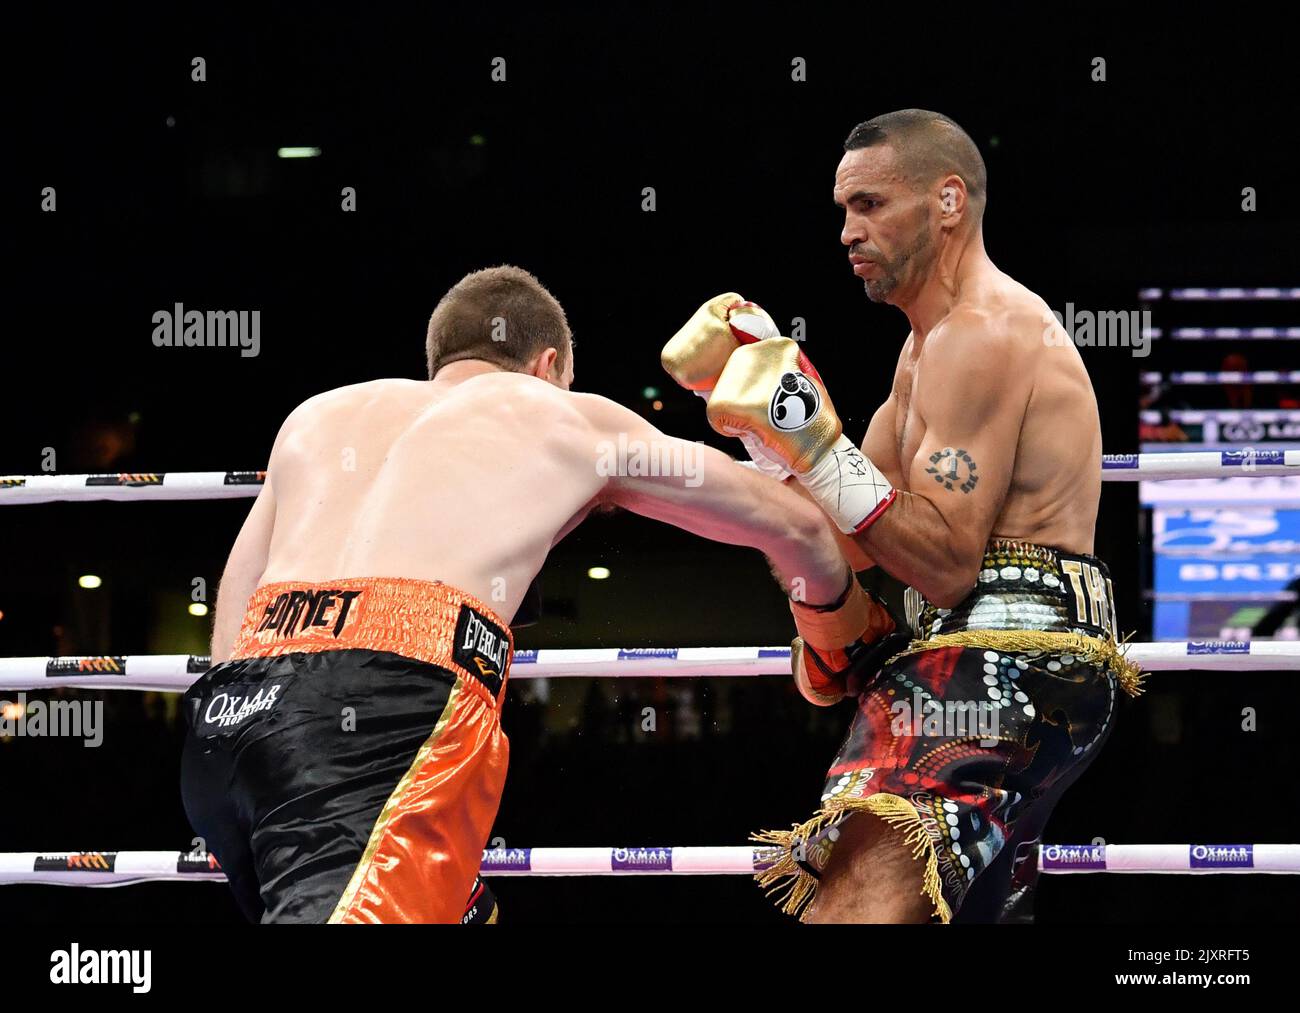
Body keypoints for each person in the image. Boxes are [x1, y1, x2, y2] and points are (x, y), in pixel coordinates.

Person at [180, 265, 878, 924]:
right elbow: (788, 522)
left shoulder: (315, 417)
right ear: (549, 367)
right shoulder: (554, 415)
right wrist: (836, 622)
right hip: (382, 717)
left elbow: (237, 599)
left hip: (231, 723)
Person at [661, 110, 1142, 924]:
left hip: (1001, 663)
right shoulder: (921, 353)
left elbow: (947, 560)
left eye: (872, 205)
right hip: (987, 666)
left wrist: (810, 435)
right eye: (844, 210)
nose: (849, 231)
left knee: (851, 908)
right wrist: (759, 431)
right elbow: (852, 526)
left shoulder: (985, 332)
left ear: (948, 201)